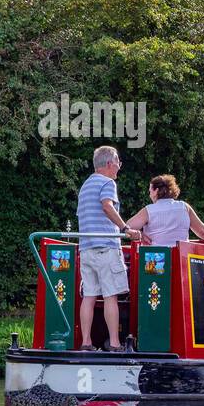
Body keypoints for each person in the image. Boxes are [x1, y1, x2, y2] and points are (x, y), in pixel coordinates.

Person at [76, 146, 140, 352]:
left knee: (89, 296)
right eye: (118, 164)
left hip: (86, 248)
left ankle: (86, 343)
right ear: (109, 163)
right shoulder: (107, 182)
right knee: (111, 295)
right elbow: (107, 206)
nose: (119, 168)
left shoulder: (85, 186)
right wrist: (126, 229)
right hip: (105, 246)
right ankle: (114, 343)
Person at [126, 174, 204, 248]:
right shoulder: (184, 207)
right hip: (182, 258)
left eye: (150, 191)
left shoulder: (148, 210)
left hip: (155, 261)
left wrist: (140, 234)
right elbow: (203, 231)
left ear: (156, 191)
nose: (149, 194)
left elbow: (126, 227)